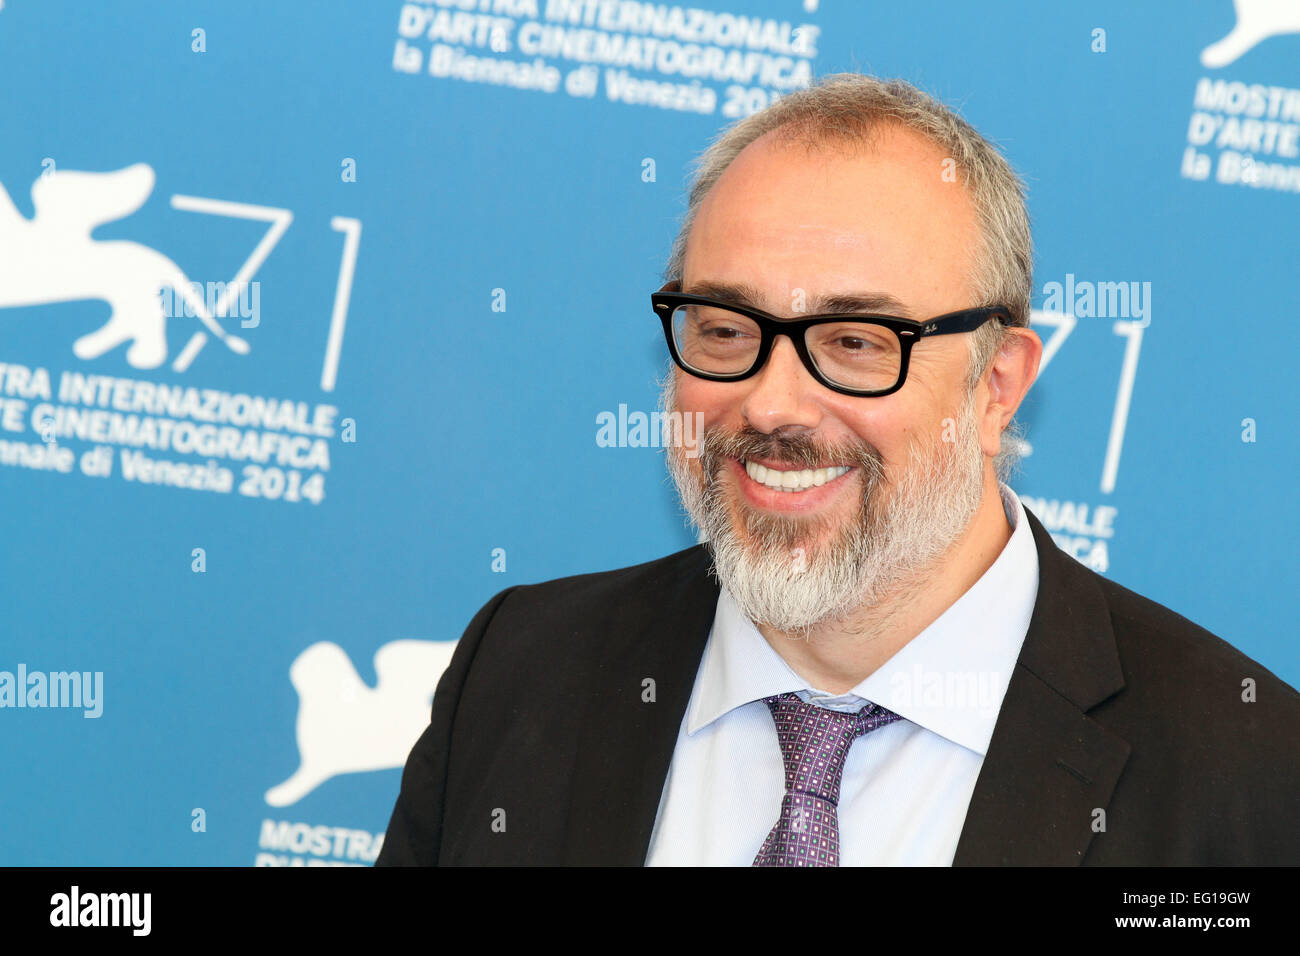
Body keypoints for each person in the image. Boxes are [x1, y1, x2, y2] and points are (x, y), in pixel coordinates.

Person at [376, 73, 1300, 866]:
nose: (772, 405)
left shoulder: (1248, 780)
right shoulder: (523, 669)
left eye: (857, 342)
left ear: (997, 387)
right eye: (727, 331)